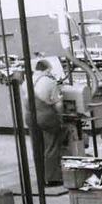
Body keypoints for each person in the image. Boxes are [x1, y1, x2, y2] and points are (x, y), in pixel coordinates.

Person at [31, 58, 65, 187]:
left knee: (38, 147)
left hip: (31, 117)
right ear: (47, 69)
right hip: (46, 117)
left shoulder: (29, 80)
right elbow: (58, 104)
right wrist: (61, 119)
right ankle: (52, 179)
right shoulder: (50, 81)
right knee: (52, 146)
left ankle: (41, 178)